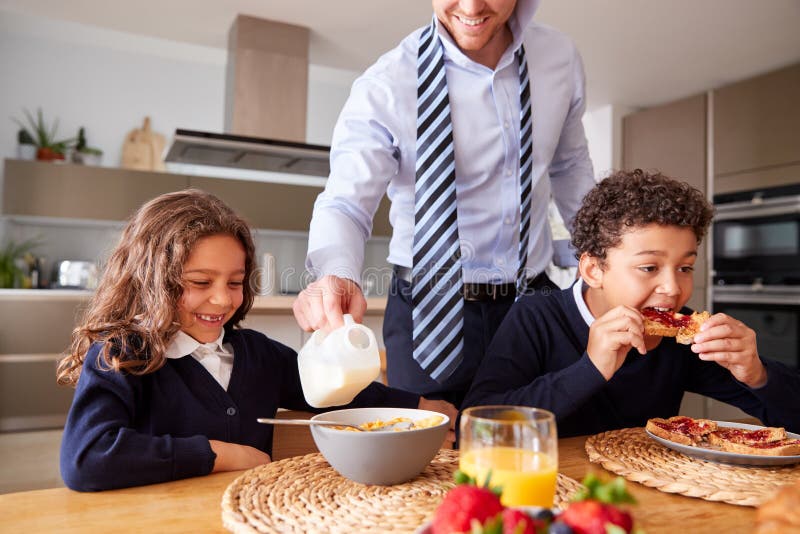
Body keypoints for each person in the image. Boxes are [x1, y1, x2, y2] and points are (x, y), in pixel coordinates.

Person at [294, 0, 595, 407]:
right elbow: (346, 202)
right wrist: (337, 274)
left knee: (532, 444)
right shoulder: (386, 84)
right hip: (428, 312)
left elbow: (570, 165)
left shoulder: (559, 59)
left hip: (533, 303)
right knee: (427, 456)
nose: (471, 6)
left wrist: (601, 258)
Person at [57, 189, 456, 492]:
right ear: (152, 280)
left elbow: (341, 393)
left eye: (234, 282)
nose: (223, 299)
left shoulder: (257, 354)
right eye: (200, 282)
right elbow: (87, 457)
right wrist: (220, 455)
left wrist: (419, 406)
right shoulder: (122, 355)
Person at [462, 170, 800, 436]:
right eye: (649, 268)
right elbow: (474, 428)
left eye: (685, 267)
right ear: (594, 270)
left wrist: (758, 374)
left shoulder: (682, 339)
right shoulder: (536, 316)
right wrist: (590, 369)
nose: (672, 288)